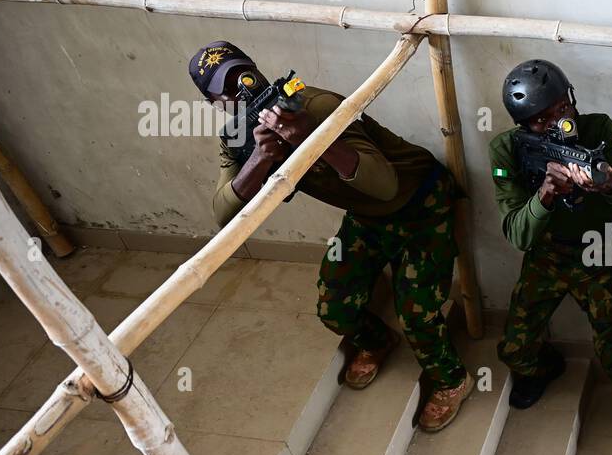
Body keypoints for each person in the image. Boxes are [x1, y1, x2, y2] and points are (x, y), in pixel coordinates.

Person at [192, 40, 472, 432]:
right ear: (215, 103)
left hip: (420, 202)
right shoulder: (238, 140)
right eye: (230, 91)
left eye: (245, 76)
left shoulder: (315, 106)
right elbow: (224, 214)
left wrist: (314, 139)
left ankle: (451, 379)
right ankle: (377, 341)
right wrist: (261, 160)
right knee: (334, 307)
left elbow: (385, 186)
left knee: (418, 315)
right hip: (366, 216)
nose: (244, 91)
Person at [488, 58, 612, 455]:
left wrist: (610, 182)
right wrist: (545, 195)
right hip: (548, 255)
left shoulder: (599, 130)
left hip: (605, 253)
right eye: (542, 120)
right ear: (524, 125)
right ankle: (545, 368)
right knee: (513, 347)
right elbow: (517, 234)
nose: (560, 122)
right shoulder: (507, 149)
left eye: (563, 108)